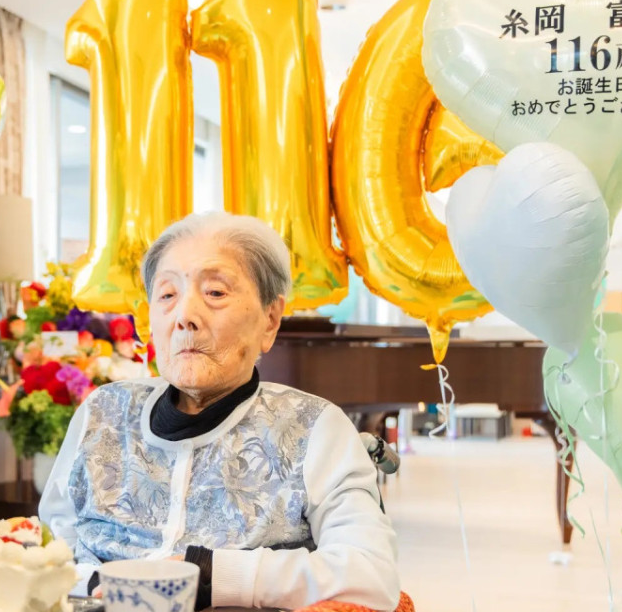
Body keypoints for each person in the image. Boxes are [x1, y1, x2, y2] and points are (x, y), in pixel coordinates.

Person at [39, 212, 400, 610]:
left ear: (270, 320)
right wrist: (102, 585)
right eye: (167, 295)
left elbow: (371, 574)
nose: (185, 317)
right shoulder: (103, 413)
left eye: (215, 293)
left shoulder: (314, 429)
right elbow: (51, 548)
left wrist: (208, 574)